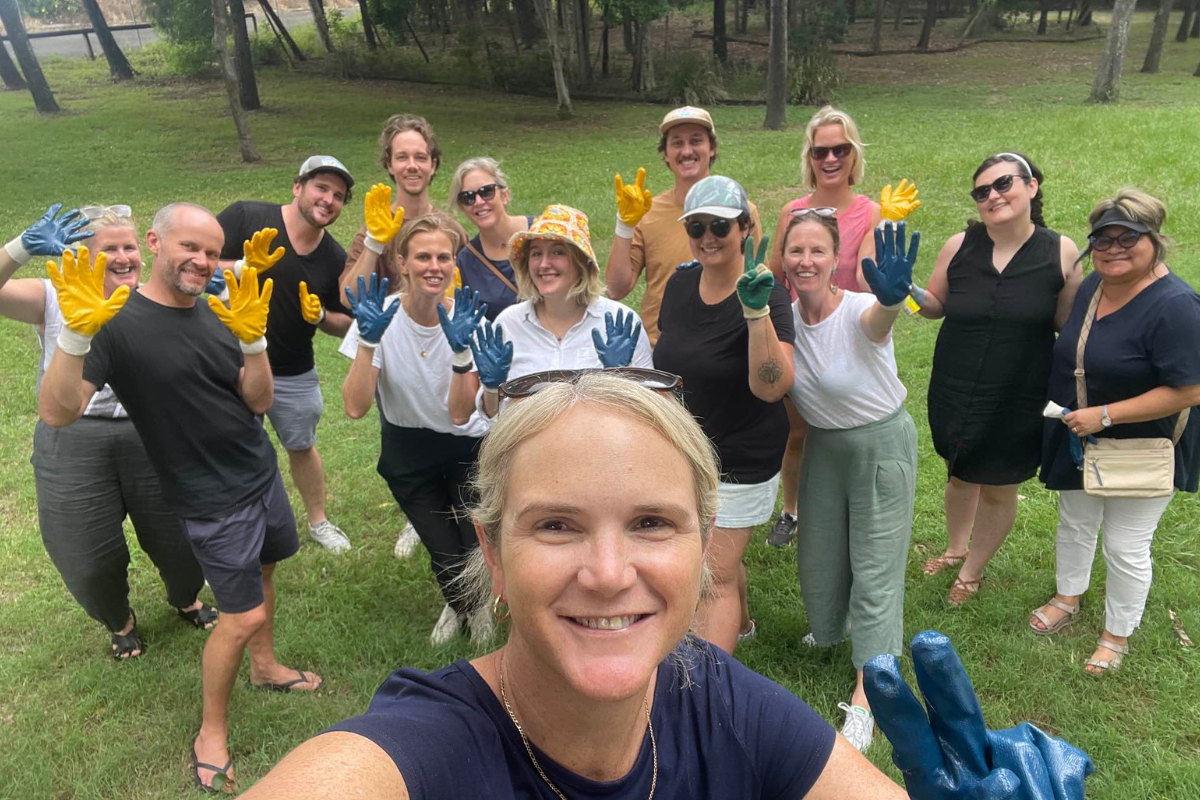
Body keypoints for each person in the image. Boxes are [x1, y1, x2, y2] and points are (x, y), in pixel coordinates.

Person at [238, 373, 1093, 800]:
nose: (610, 574)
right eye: (556, 525)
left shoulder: (715, 699)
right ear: (493, 555)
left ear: (702, 548)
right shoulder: (425, 749)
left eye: (652, 522)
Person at [38, 203, 322, 793]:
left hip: (259, 472)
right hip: (210, 496)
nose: (202, 261)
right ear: (155, 242)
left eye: (211, 252)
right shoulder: (115, 323)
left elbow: (259, 401)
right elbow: (58, 412)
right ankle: (211, 732)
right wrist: (75, 334)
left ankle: (266, 667)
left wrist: (254, 342)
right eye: (189, 247)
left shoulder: (220, 308)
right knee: (240, 617)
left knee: (267, 568)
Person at [1, 204, 214, 659]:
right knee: (86, 555)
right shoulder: (54, 295)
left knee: (181, 539)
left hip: (153, 430)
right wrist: (20, 248)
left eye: (129, 247)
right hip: (72, 433)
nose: (122, 257)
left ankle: (186, 598)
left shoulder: (160, 296)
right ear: (82, 257)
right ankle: (120, 620)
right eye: (108, 249)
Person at [1030, 189, 1200, 675]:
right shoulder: (1095, 285)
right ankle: (1068, 597)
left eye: (1129, 238)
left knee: (1126, 544)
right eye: (1103, 239)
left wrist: (1104, 415)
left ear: (1155, 240)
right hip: (1081, 435)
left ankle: (1117, 634)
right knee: (1075, 521)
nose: (1113, 249)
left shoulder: (1177, 306)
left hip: (1144, 445)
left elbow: (1191, 389)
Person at [917, 152, 1081, 605]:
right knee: (959, 472)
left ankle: (972, 570)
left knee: (999, 483)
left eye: (1003, 183)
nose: (992, 195)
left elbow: (1066, 326)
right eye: (982, 191)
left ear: (1031, 186)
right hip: (955, 384)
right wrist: (905, 294)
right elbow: (934, 305)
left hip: (1019, 390)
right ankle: (955, 548)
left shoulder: (1061, 251)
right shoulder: (958, 245)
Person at [782, 212, 919, 751]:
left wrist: (891, 300)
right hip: (824, 447)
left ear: (835, 257)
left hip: (879, 446)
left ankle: (869, 693)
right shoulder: (786, 322)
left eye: (817, 250)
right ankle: (829, 630)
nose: (806, 261)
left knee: (875, 566)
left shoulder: (860, 308)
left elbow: (878, 323)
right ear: (784, 259)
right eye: (796, 250)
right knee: (820, 554)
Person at [765, 106, 919, 548]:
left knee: (849, 428)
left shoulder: (870, 211)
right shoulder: (792, 211)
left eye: (840, 149)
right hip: (802, 334)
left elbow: (873, 278)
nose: (830, 159)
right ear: (809, 157)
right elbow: (775, 275)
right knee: (798, 432)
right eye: (820, 151)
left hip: (855, 336)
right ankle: (792, 509)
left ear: (854, 154)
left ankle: (853, 504)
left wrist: (889, 225)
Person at [653, 175, 794, 654]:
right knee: (715, 556)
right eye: (696, 226)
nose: (708, 236)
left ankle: (705, 681)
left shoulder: (766, 291)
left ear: (745, 227)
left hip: (742, 455)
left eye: (720, 225)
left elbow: (773, 386)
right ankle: (742, 625)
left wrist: (755, 314)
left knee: (711, 575)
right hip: (687, 451)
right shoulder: (680, 284)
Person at [340, 215, 491, 645]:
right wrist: (369, 340)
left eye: (444, 257)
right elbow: (354, 406)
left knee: (474, 542)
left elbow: (461, 413)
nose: (434, 266)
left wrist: (461, 351)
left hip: (467, 445)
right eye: (423, 257)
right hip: (408, 448)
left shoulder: (469, 320)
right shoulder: (378, 316)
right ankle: (460, 604)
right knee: (443, 548)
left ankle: (476, 604)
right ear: (402, 262)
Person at [216, 156, 355, 554]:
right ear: (298, 187)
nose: (328, 200)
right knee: (229, 449)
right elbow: (194, 266)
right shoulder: (246, 217)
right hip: (228, 363)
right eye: (321, 188)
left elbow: (345, 322)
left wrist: (322, 316)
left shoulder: (334, 258)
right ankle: (233, 526)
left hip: (292, 370)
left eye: (338, 196)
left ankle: (319, 521)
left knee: (301, 444)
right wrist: (242, 267)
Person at [449, 204, 653, 423]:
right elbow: (494, 417)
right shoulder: (509, 323)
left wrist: (619, 379)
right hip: (527, 444)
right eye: (536, 253)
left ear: (581, 261)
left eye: (558, 252)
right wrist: (491, 389)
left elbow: (650, 410)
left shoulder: (620, 323)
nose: (544, 264)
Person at [605, 105, 763, 345]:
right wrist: (625, 226)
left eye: (696, 141)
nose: (687, 151)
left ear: (712, 148)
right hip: (660, 347)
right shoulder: (647, 213)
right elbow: (616, 289)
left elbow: (759, 281)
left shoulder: (740, 211)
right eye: (677, 143)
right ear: (665, 154)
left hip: (724, 346)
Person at [340, 114, 469, 298]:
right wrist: (374, 243)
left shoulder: (452, 231)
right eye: (402, 157)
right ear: (390, 165)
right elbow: (348, 298)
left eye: (420, 157)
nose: (412, 166)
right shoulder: (375, 230)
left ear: (432, 165)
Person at [447, 157, 531, 321]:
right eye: (468, 197)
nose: (478, 202)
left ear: (504, 195)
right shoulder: (465, 263)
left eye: (486, 192)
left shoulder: (543, 232)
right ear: (463, 207)